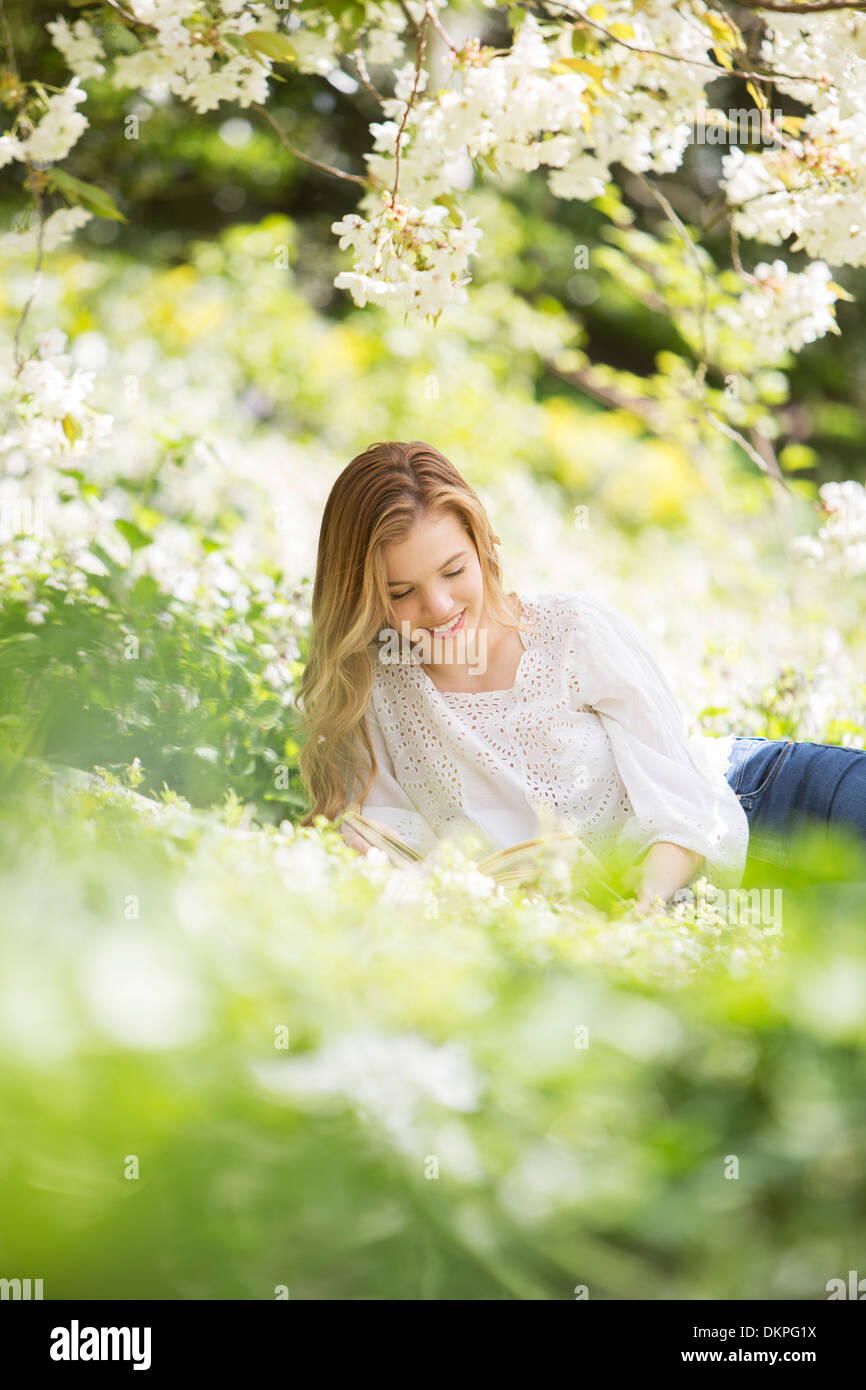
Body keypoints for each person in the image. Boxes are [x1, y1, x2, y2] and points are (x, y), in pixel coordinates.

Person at [297, 441, 866, 913]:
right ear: (367, 598)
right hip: (691, 901)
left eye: (454, 570)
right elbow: (385, 853)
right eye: (402, 592)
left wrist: (640, 909)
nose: (440, 605)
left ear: (480, 546)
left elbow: (689, 804)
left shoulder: (571, 630)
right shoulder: (378, 692)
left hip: (754, 796)